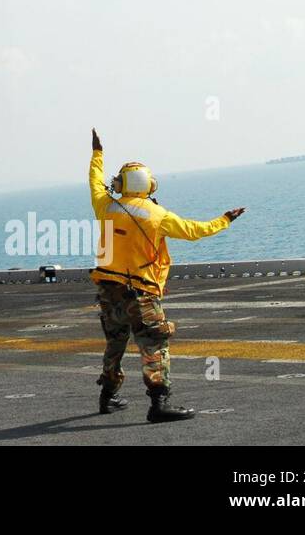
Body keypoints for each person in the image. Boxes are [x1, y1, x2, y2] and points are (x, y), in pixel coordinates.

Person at [89, 129, 245, 422]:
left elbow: (95, 182)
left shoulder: (106, 206)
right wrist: (225, 220)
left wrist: (97, 153)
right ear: (150, 185)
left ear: (122, 183)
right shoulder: (158, 216)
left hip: (108, 293)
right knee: (154, 347)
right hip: (141, 295)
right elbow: (194, 231)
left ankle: (107, 398)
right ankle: (158, 404)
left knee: (115, 344)